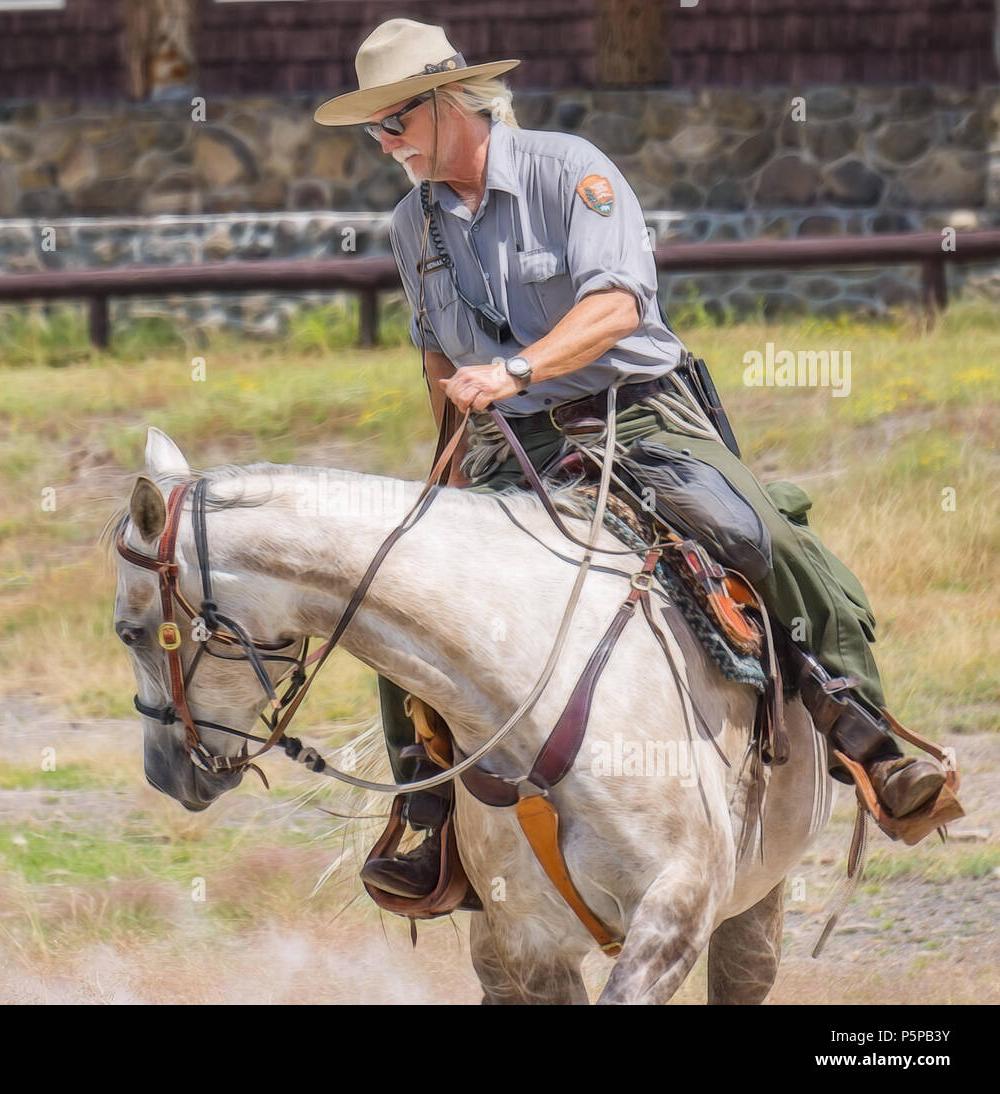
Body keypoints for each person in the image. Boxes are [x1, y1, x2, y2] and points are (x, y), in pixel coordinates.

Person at [313, 18, 950, 900]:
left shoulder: (572, 171)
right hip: (510, 439)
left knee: (757, 536)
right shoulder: (408, 225)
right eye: (373, 129)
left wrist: (518, 369)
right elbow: (435, 357)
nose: (384, 144)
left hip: (634, 415)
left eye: (394, 122)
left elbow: (614, 308)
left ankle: (862, 733)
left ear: (450, 100)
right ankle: (427, 815)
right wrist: (449, 462)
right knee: (403, 587)